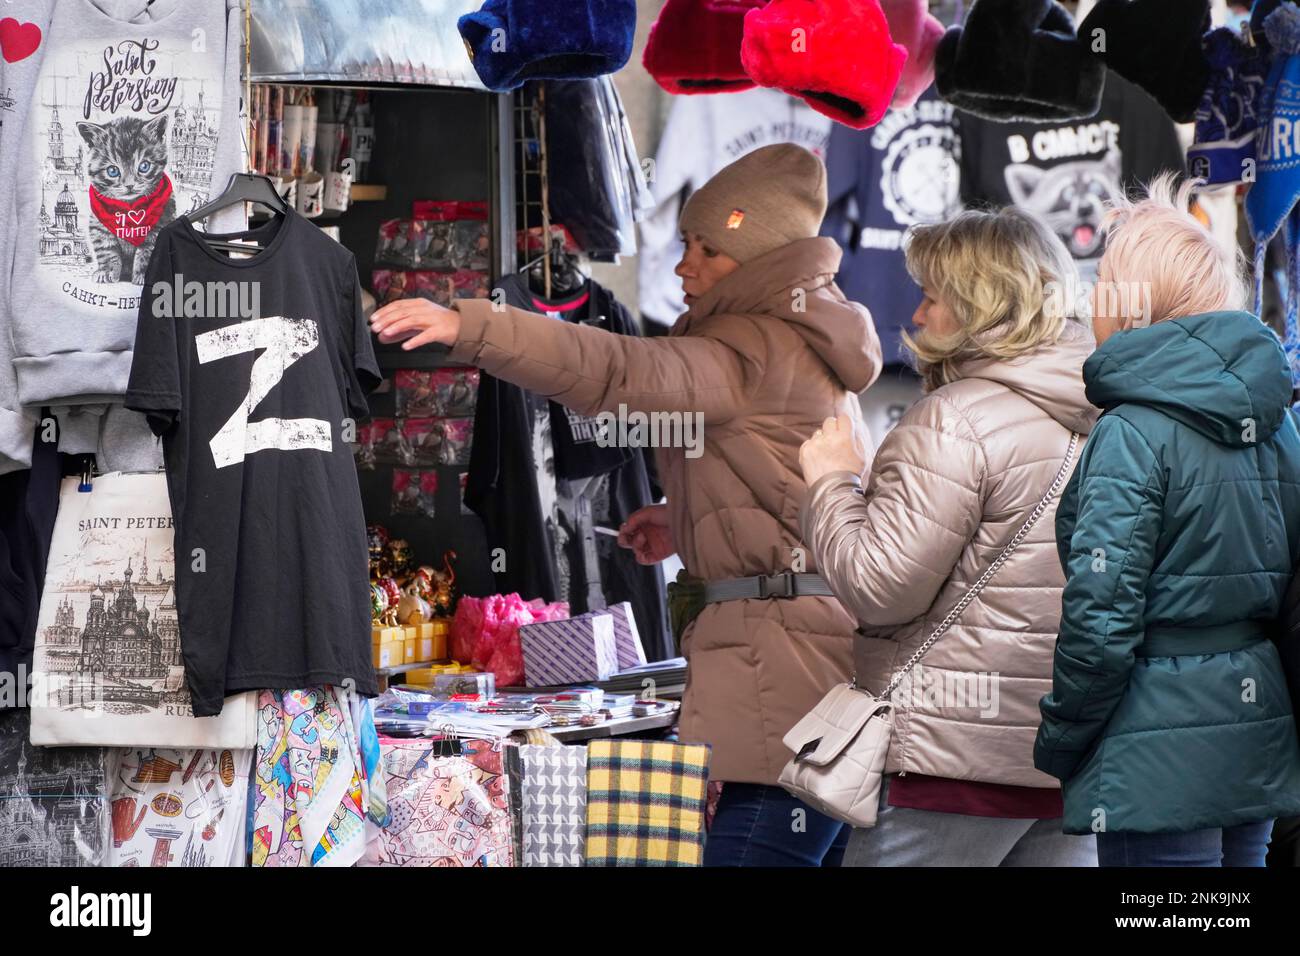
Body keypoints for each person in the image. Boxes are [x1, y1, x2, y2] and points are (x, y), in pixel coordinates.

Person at [369, 144, 883, 866]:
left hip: (784, 674)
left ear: (759, 262)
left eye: (707, 250)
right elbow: (784, 476)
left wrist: (473, 326)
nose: (684, 267)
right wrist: (690, 517)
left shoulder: (751, 345)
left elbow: (615, 369)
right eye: (685, 246)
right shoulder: (796, 340)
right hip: (806, 659)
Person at [798, 206, 1099, 866]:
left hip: (948, 772)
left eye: (932, 297)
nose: (916, 318)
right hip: (1065, 765)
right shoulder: (1104, 418)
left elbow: (880, 590)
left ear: (978, 304)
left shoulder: (955, 421)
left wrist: (831, 483)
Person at [1033, 173, 1300, 867]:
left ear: (1131, 303)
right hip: (1257, 729)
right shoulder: (1278, 424)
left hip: (1154, 745)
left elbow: (1101, 617)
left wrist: (1065, 736)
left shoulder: (1132, 430)